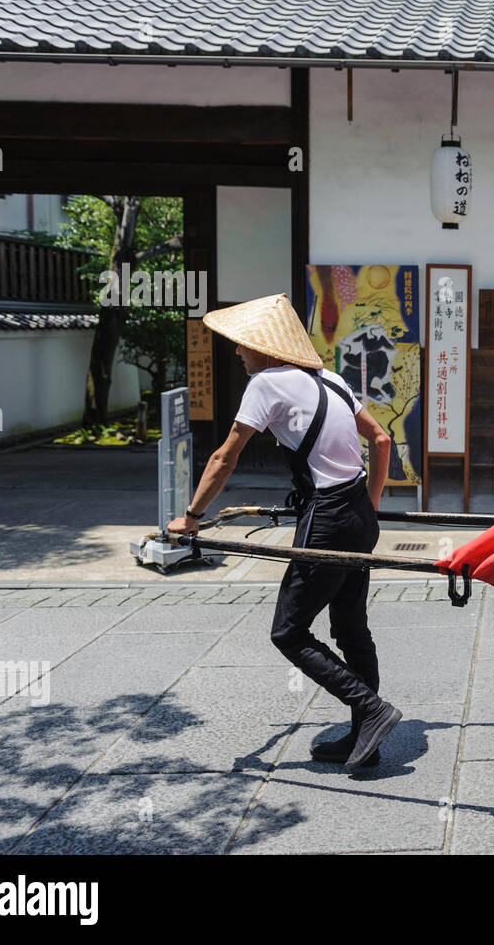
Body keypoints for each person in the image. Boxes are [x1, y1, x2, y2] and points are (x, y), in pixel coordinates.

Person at [166, 292, 401, 771]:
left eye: (243, 344)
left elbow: (224, 456)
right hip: (357, 511)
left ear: (268, 348)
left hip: (329, 519)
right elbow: (381, 439)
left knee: (289, 632)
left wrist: (190, 516)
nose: (237, 353)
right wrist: (371, 505)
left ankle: (373, 711)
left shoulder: (266, 385)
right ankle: (366, 738)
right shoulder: (332, 380)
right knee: (351, 629)